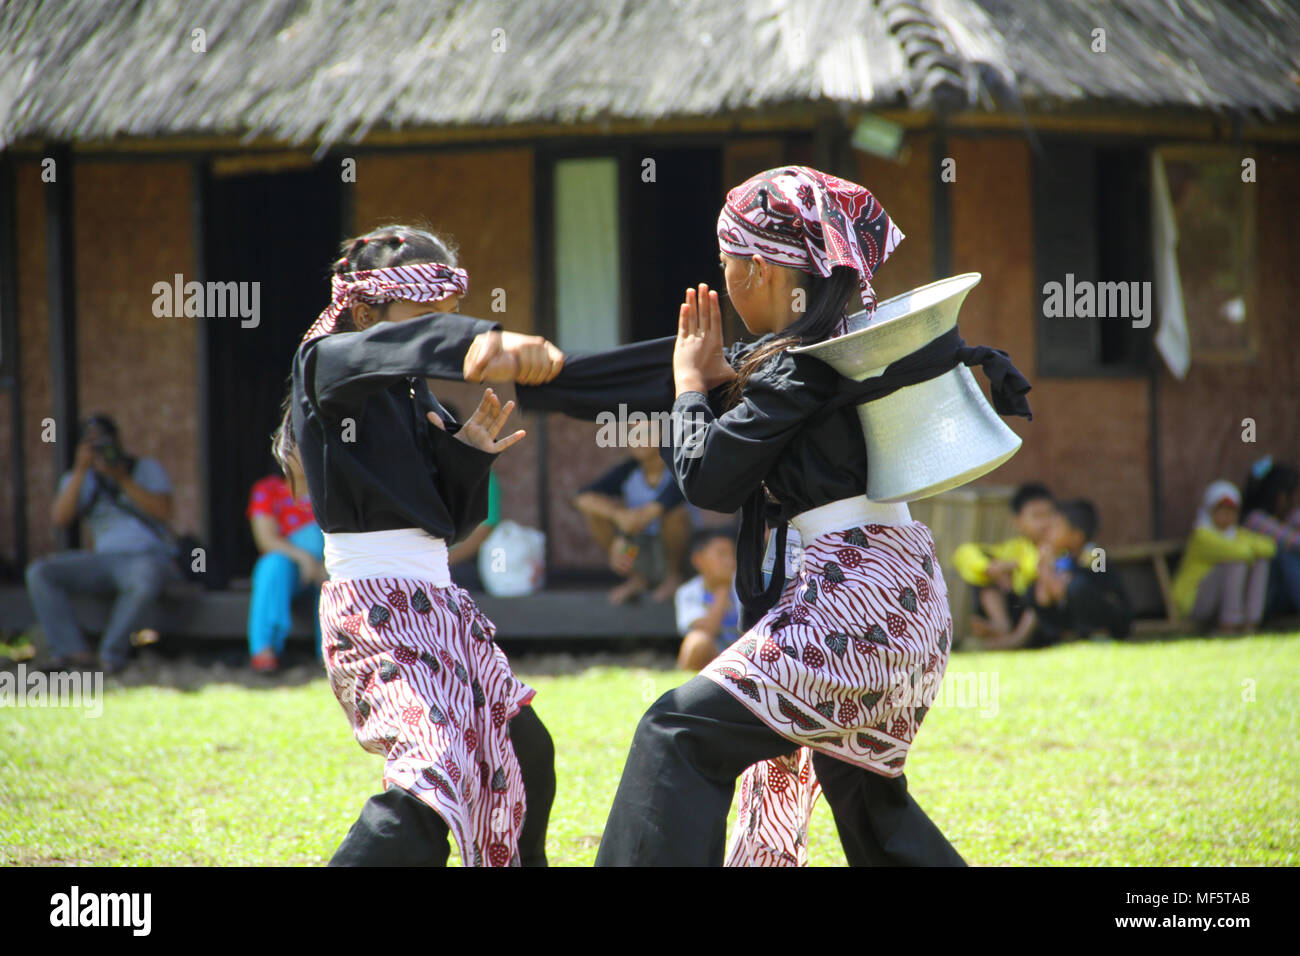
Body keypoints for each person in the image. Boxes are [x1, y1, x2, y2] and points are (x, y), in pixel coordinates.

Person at [588, 166, 1033, 866]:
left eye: (725, 261)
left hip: (855, 603)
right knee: (864, 794)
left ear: (761, 269)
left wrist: (686, 387)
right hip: (905, 597)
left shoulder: (802, 369)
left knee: (675, 733)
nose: (724, 279)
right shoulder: (838, 353)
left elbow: (706, 481)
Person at [281, 224, 563, 867]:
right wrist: (487, 338)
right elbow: (411, 344)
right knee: (432, 776)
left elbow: (447, 524)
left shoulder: (412, 393)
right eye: (422, 310)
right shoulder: (326, 363)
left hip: (436, 600)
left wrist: (466, 456)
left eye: (447, 310)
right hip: (374, 612)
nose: (435, 325)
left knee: (524, 749)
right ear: (363, 309)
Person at [26, 413, 181, 674]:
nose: (100, 448)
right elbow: (60, 518)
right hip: (103, 559)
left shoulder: (145, 468)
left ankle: (111, 655)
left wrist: (122, 478)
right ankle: (71, 651)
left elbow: (164, 511)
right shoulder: (81, 477)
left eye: (105, 441)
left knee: (144, 577)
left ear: (118, 440)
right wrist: (80, 470)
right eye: (93, 443)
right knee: (40, 572)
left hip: (148, 557)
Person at [574, 422, 692, 604]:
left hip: (678, 553)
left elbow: (650, 513)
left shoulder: (681, 467)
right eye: (632, 433)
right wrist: (617, 516)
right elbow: (583, 498)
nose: (637, 439)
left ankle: (673, 577)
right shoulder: (629, 469)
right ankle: (637, 578)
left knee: (674, 516)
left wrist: (622, 533)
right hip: (638, 547)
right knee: (596, 516)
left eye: (646, 432)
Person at [246, 446, 325, 672]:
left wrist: (325, 565)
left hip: (327, 567)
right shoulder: (268, 489)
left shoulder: (330, 488)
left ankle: (331, 656)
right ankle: (264, 650)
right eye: (295, 447)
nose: (303, 453)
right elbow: (266, 539)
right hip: (291, 571)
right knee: (271, 565)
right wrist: (304, 558)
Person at [1018, 498, 1132, 647]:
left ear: (1076, 536)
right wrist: (1044, 566)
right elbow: (1045, 596)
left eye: (1056, 527)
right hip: (1076, 610)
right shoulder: (1063, 557)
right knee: (1033, 590)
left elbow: (1092, 587)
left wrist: (1055, 576)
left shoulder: (1096, 553)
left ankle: (1098, 633)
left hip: (1111, 619)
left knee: (1076, 586)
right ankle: (1063, 635)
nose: (1049, 532)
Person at [952, 482, 1054, 645]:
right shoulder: (1013, 548)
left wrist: (1016, 566)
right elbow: (963, 554)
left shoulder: (1058, 546)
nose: (1044, 523)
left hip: (1042, 616)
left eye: (1048, 515)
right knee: (984, 577)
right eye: (1036, 516)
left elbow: (1039, 568)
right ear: (1017, 521)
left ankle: (1015, 640)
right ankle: (1001, 625)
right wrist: (989, 569)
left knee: (1038, 585)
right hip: (1014, 610)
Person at [1172, 480, 1275, 634]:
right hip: (1195, 604)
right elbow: (1242, 553)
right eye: (1221, 511)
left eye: (1231, 512)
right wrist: (1252, 550)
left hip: (1217, 601)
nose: (1227, 517)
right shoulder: (1202, 535)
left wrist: (1252, 551)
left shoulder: (1235, 534)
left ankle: (1251, 621)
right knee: (1236, 563)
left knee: (1261, 562)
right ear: (1209, 511)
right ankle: (1229, 623)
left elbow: (1270, 547)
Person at [436, 402, 501, 592]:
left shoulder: (477, 471)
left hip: (459, 564)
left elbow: (485, 529)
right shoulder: (414, 470)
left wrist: (444, 561)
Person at [1241, 456, 1300, 617]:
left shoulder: (1286, 518)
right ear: (1279, 496)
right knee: (1285, 553)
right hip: (1264, 599)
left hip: (1283, 596)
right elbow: (1293, 541)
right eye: (1292, 495)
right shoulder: (1255, 519)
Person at [675, 527, 740, 671]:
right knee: (697, 642)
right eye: (721, 554)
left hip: (745, 654)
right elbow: (705, 630)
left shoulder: (746, 586)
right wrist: (722, 592)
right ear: (698, 560)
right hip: (713, 655)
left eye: (732, 554)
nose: (730, 561)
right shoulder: (687, 592)